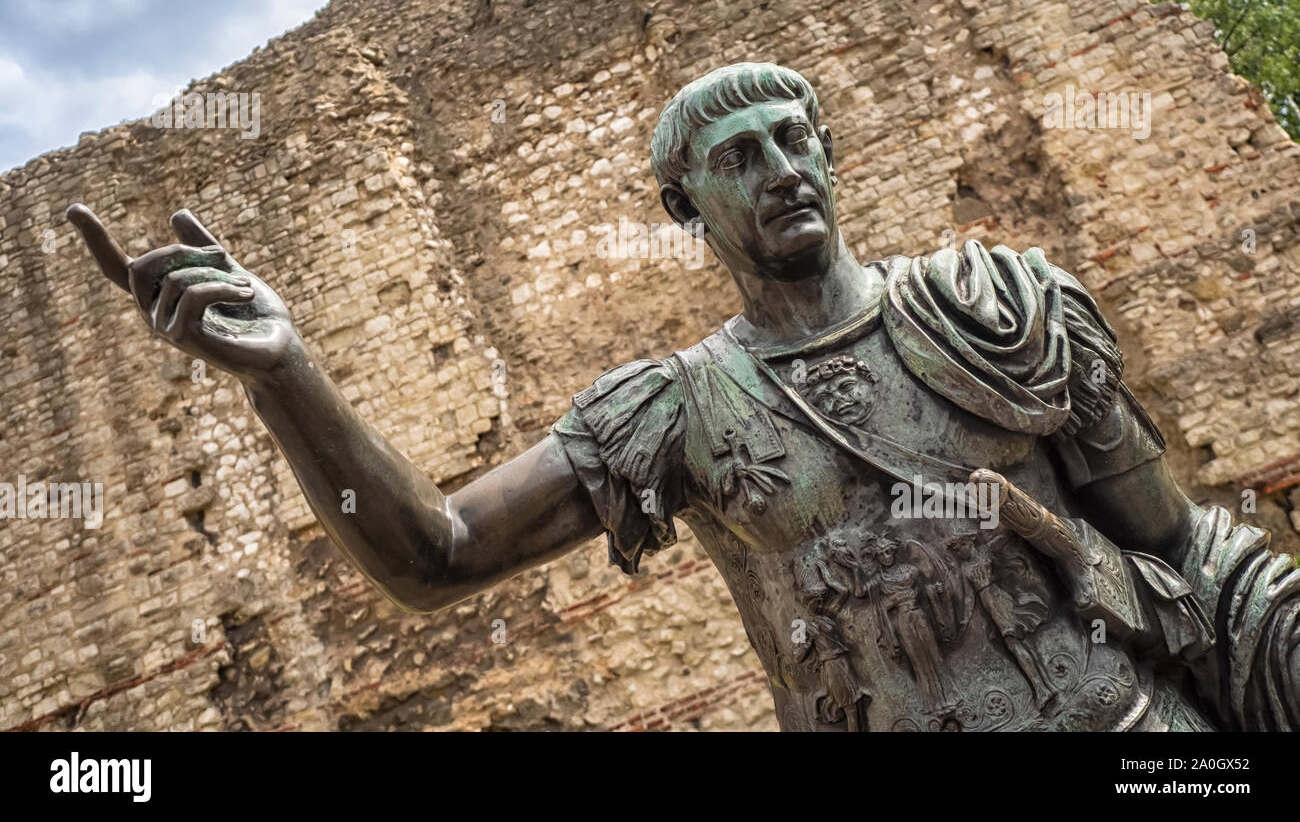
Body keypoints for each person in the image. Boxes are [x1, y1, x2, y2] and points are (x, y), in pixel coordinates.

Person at [68, 62, 1300, 731]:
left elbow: (1176, 545)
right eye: (737, 158)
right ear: (687, 206)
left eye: (791, 137)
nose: (778, 169)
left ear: (825, 149)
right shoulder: (677, 410)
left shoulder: (1002, 309)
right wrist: (289, 376)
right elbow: (434, 558)